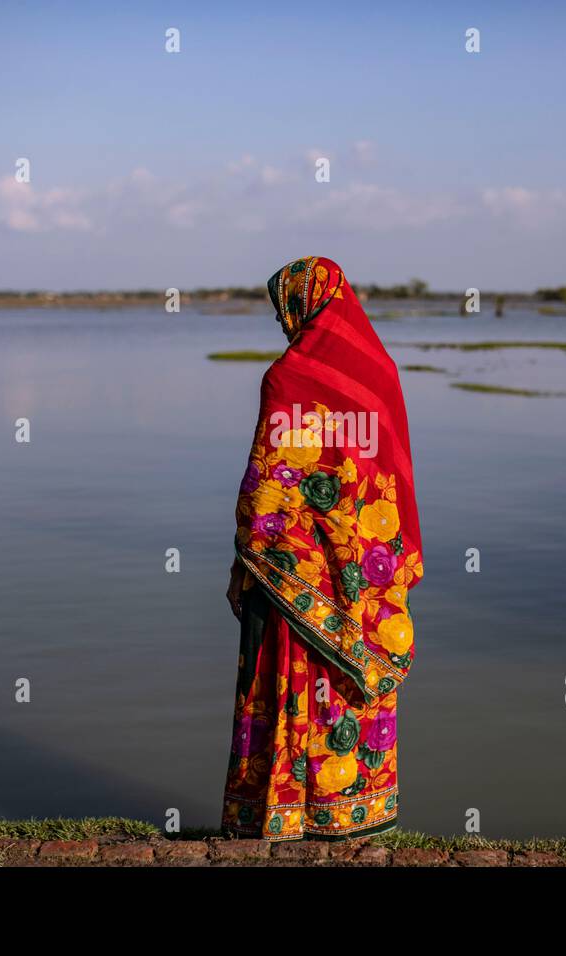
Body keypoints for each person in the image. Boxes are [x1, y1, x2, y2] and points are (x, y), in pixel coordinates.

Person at [220, 256, 424, 841]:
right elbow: (386, 479)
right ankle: (357, 808)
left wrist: (251, 553)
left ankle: (281, 813)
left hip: (293, 579)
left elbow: (268, 490)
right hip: (365, 572)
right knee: (347, 681)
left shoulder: (286, 378)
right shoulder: (379, 371)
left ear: (297, 304)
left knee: (289, 680)